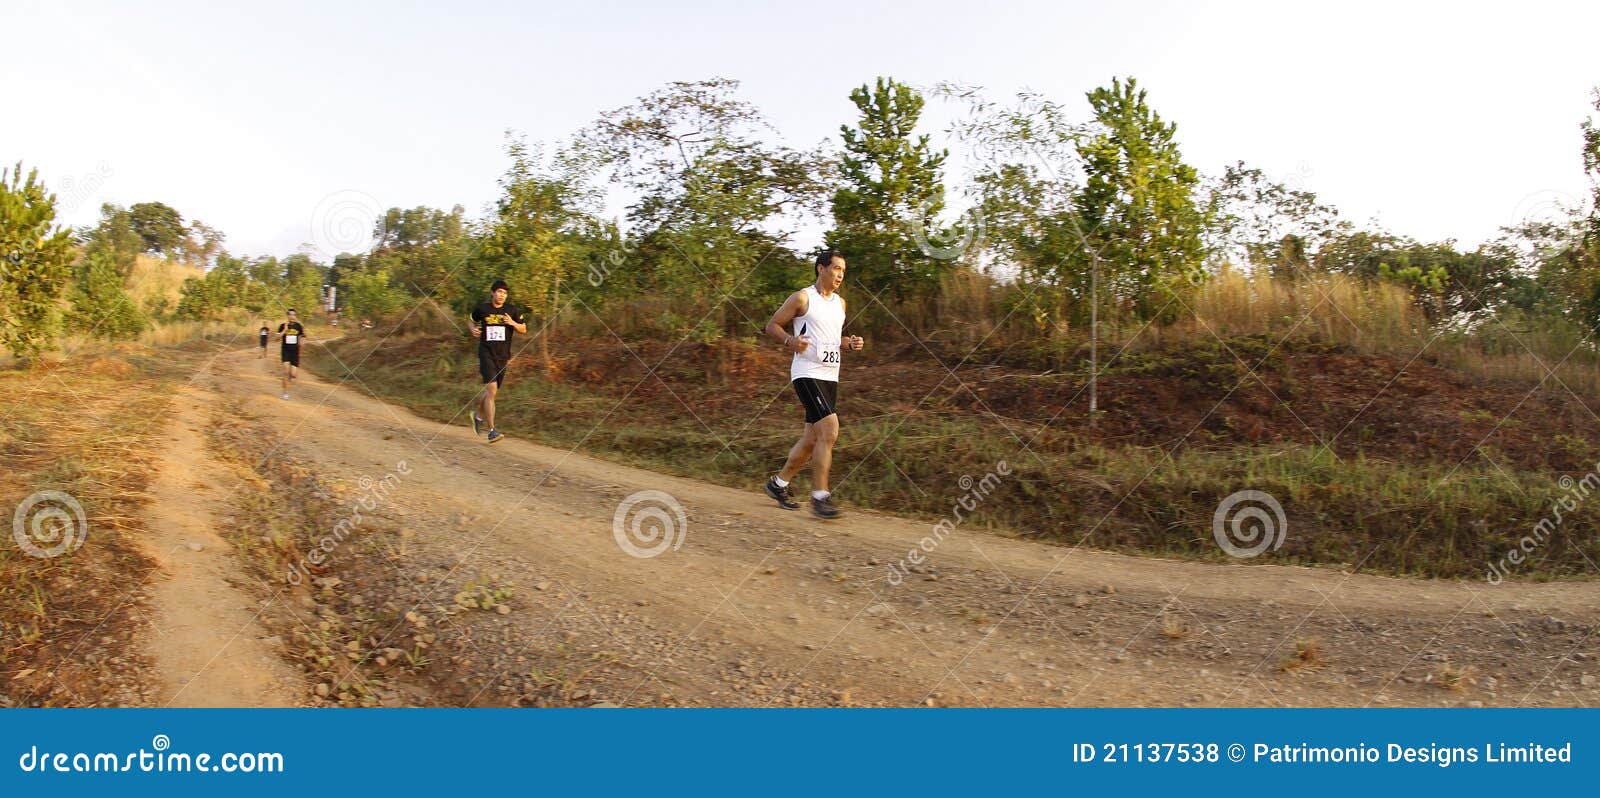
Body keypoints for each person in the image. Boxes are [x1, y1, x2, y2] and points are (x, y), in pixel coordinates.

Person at [762, 251, 864, 519]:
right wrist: (789, 341)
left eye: (843, 270)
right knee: (830, 430)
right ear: (821, 269)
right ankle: (820, 497)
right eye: (836, 268)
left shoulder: (840, 304)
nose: (841, 274)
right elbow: (772, 325)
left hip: (831, 375)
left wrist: (848, 343)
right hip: (807, 372)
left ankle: (778, 484)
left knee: (811, 439)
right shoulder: (802, 298)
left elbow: (832, 339)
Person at [468, 279, 527, 444]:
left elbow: (524, 329)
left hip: (503, 356)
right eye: (499, 292)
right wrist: (473, 329)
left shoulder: (512, 310)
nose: (502, 295)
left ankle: (477, 416)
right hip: (486, 353)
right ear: (492, 293)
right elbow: (470, 319)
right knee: (492, 389)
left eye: (505, 293)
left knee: (491, 393)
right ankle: (492, 431)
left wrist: (513, 323)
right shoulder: (483, 309)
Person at [277, 309, 306, 400]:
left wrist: (302, 342)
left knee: (293, 375)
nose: (292, 316)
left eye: (294, 315)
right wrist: (284, 331)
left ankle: (291, 377)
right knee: (285, 372)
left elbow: (303, 336)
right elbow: (277, 337)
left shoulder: (299, 326)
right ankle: (285, 393)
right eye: (290, 315)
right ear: (287, 316)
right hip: (285, 351)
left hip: (295, 352)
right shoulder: (283, 326)